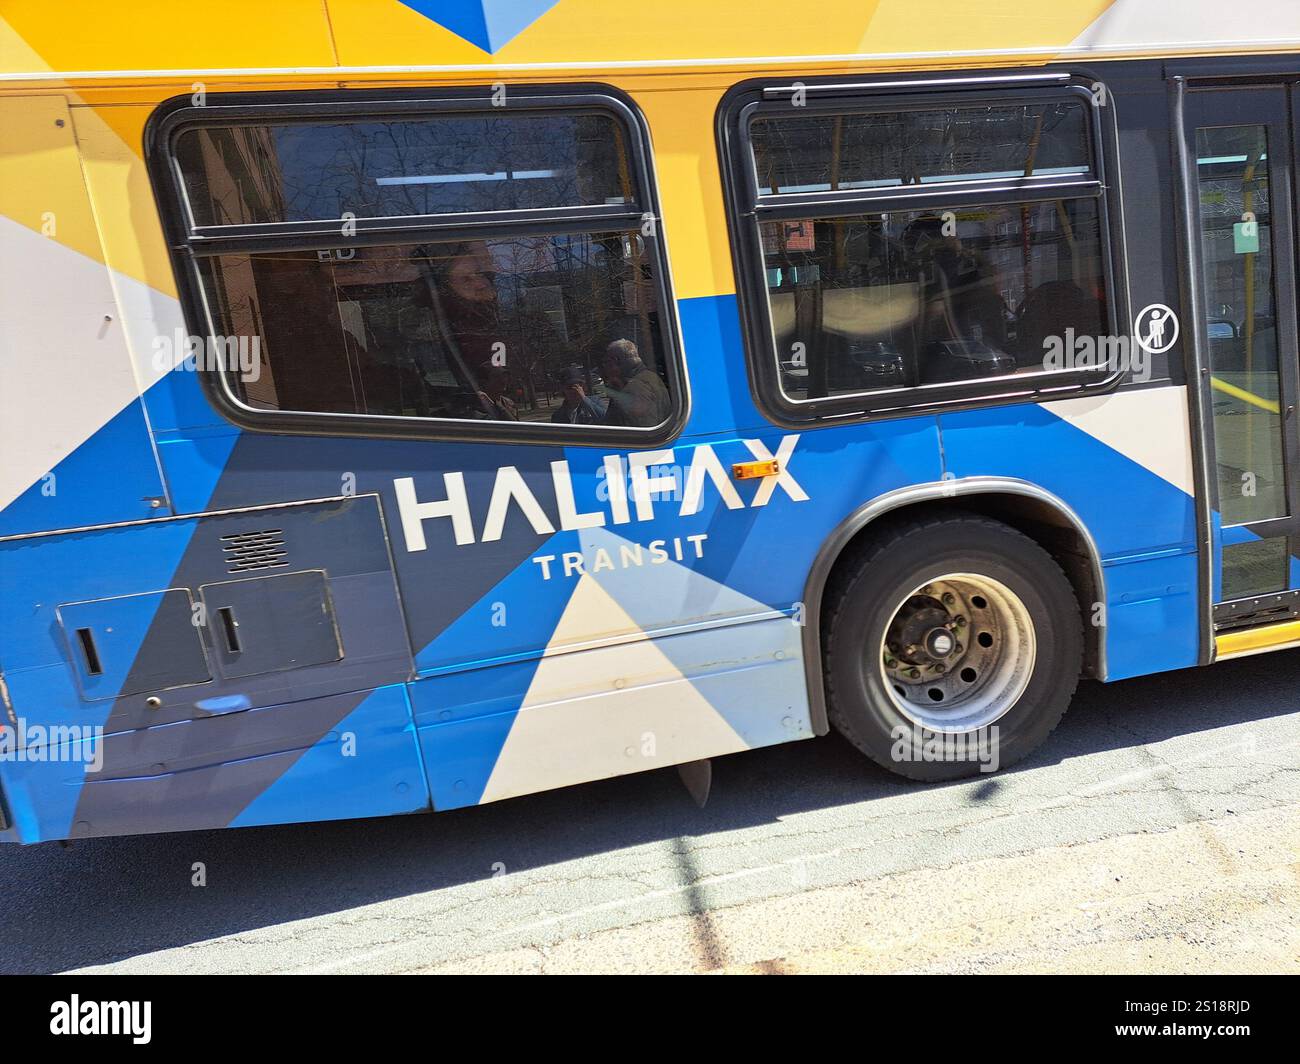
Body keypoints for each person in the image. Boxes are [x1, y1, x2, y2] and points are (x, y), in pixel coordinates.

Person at [601, 339, 672, 428]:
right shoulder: (650, 377)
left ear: (615, 361)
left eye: (606, 362)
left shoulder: (634, 388)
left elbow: (642, 433)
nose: (604, 367)